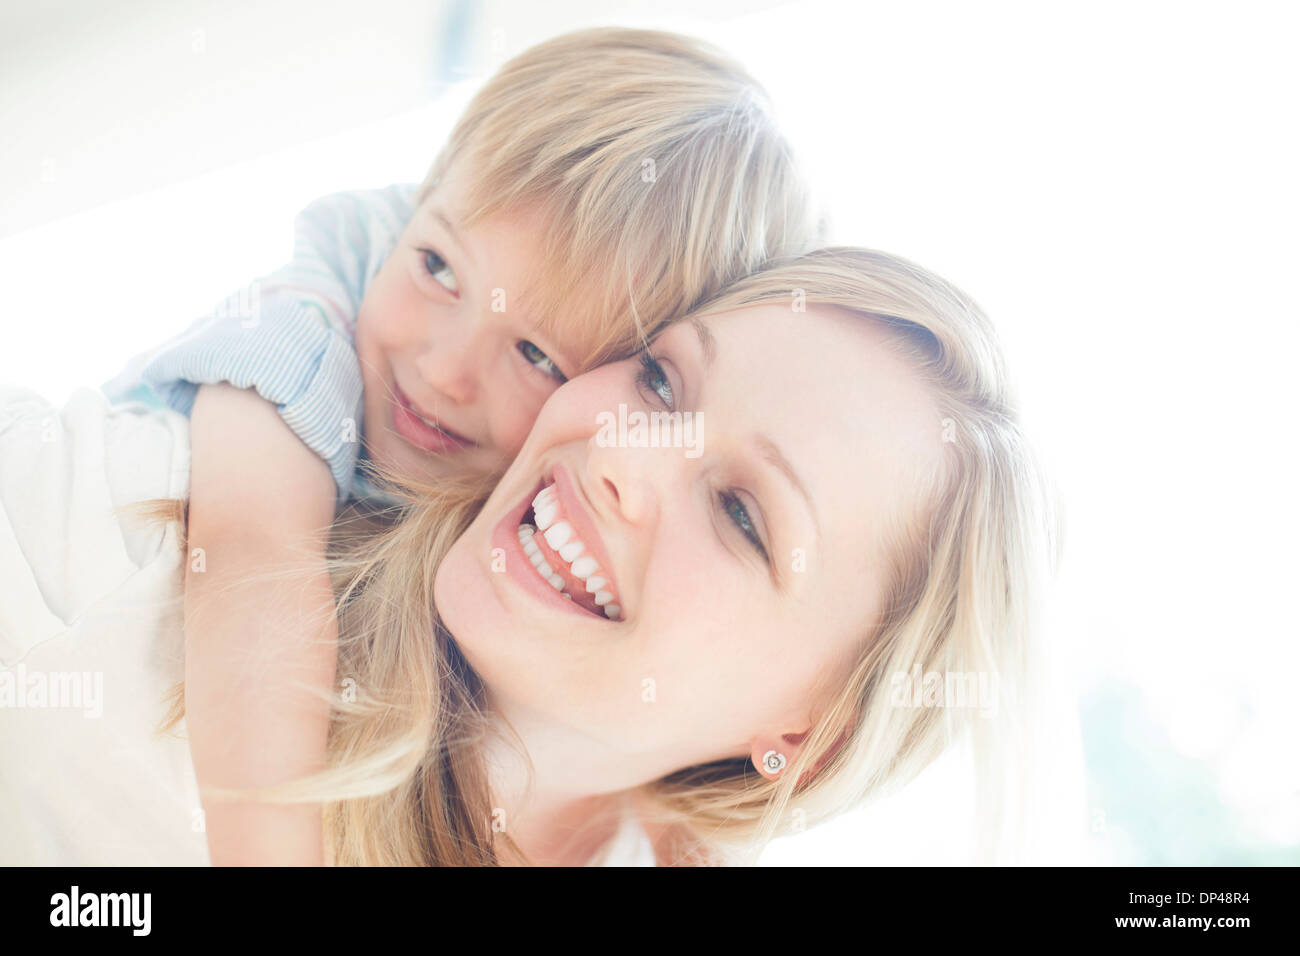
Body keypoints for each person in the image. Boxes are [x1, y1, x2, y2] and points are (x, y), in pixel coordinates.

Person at [0, 247, 1054, 865]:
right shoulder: (132, 524)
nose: (620, 462)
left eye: (739, 511)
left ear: (808, 735)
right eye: (658, 380)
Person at [100, 27, 819, 864]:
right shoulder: (304, 331)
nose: (444, 371)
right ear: (421, 203)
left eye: (539, 356)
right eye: (439, 267)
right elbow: (255, 562)